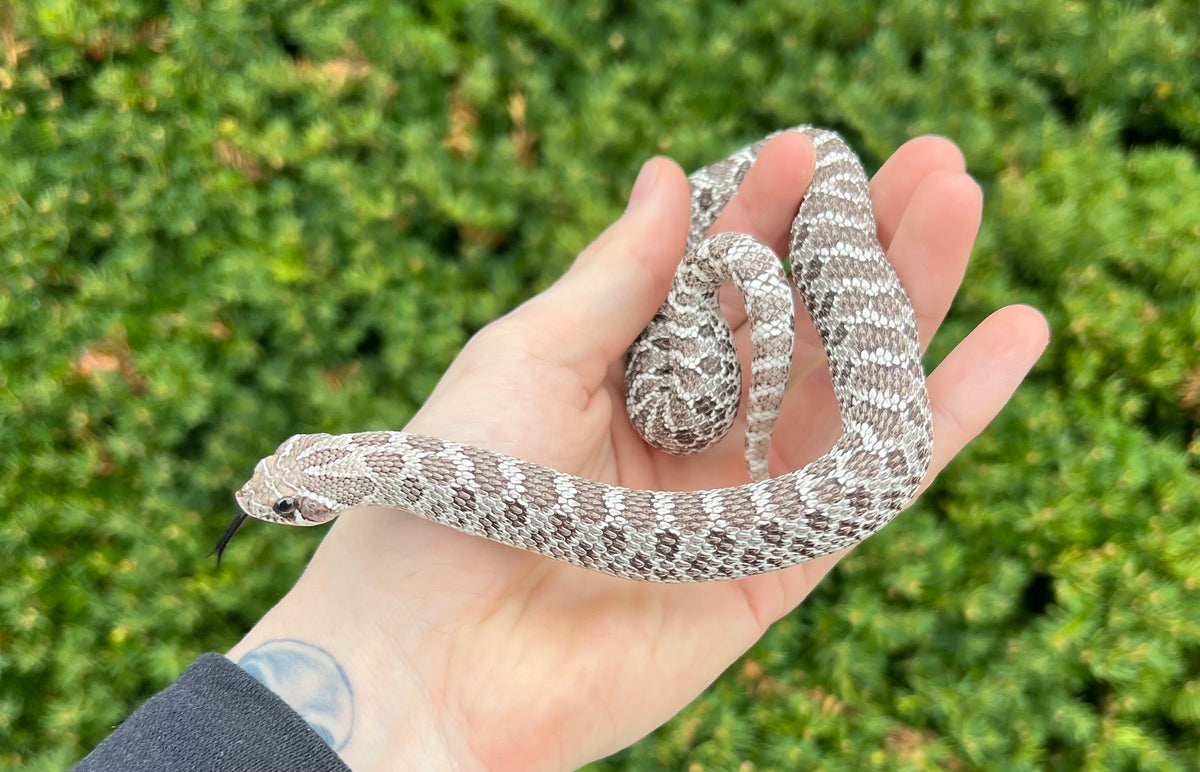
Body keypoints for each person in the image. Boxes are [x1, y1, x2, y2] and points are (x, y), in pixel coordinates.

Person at [74, 132, 1049, 772]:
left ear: (327, 474)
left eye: (287, 502)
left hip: (819, 415)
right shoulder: (429, 472)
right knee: (687, 411)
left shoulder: (429, 470)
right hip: (749, 451)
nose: (274, 509)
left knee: (818, 172)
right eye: (285, 503)